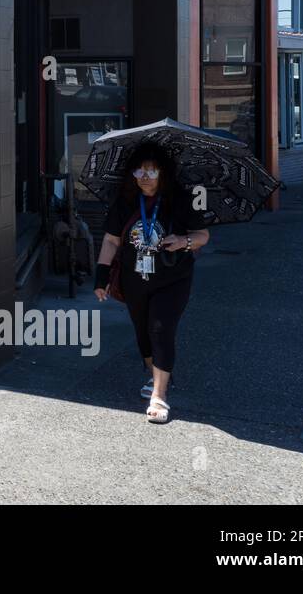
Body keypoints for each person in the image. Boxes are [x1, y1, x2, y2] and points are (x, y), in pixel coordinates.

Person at [93, 142, 210, 423]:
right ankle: (156, 372)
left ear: (162, 173)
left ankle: (159, 395)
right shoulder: (125, 201)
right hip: (135, 279)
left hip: (173, 278)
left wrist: (183, 241)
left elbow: (203, 235)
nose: (145, 176)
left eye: (151, 171)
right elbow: (111, 241)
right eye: (140, 171)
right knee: (143, 332)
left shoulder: (181, 200)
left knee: (160, 329)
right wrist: (101, 277)